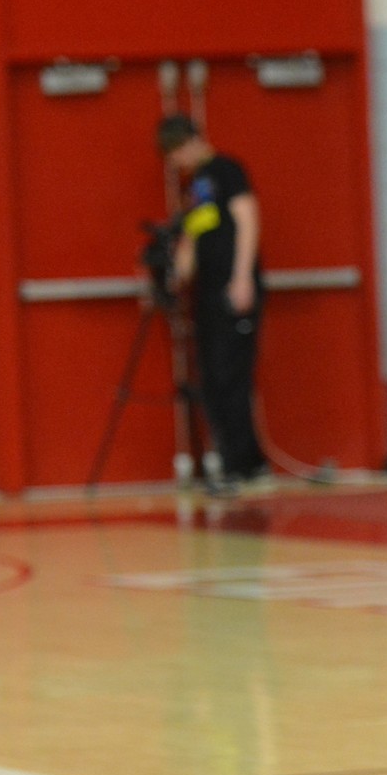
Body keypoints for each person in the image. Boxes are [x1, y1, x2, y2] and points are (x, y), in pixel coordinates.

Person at [157, 113, 269, 494]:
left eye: (174, 154)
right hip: (206, 292)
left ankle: (244, 463)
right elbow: (194, 235)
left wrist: (242, 277)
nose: (174, 164)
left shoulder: (227, 171)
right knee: (212, 377)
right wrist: (177, 274)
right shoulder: (198, 186)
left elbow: (247, 219)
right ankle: (236, 457)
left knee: (231, 375)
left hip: (232, 286)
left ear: (187, 143)